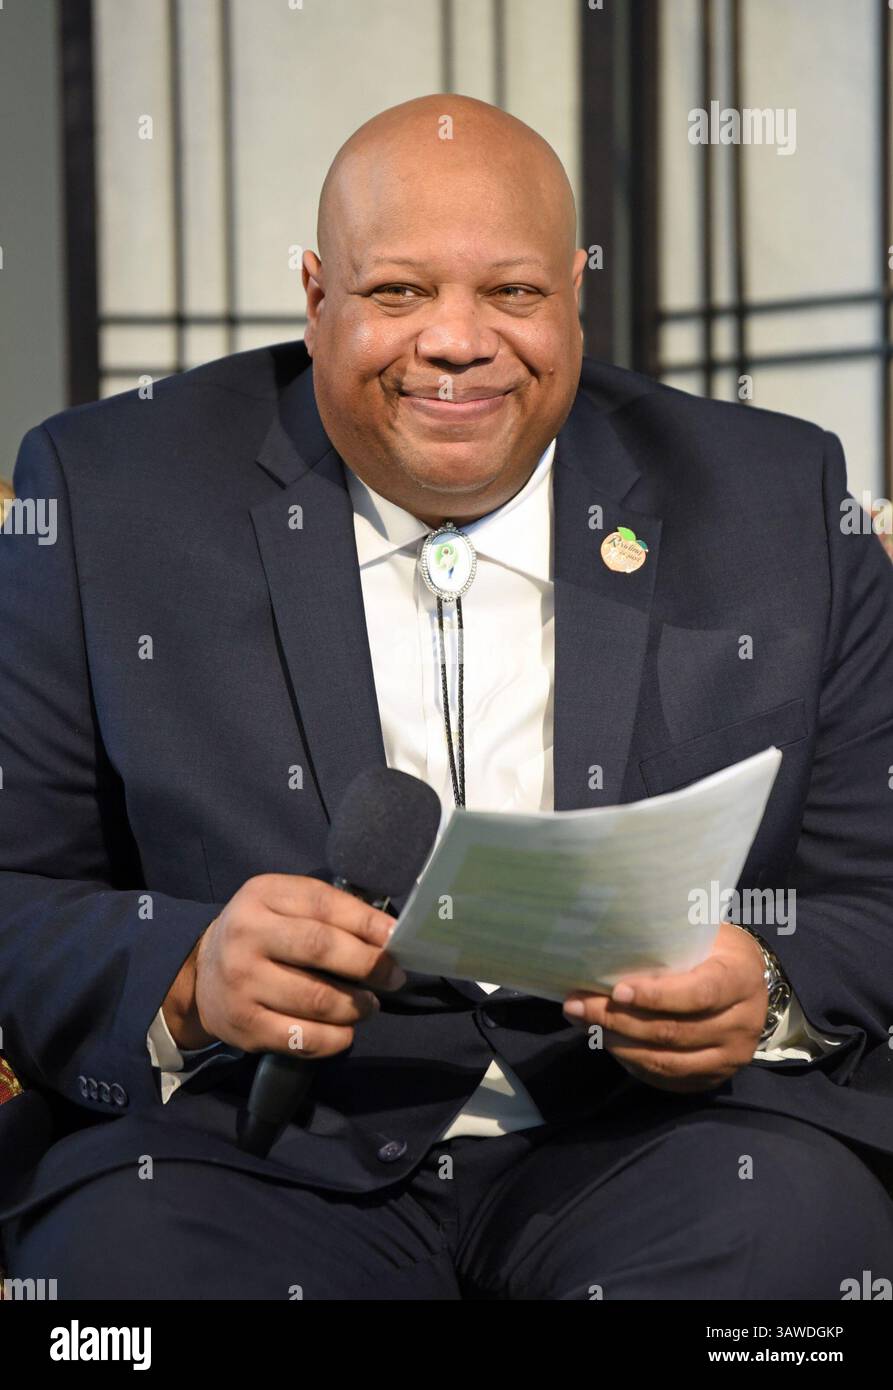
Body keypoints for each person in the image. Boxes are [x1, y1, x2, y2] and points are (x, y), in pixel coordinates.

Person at [1, 94, 892, 1300]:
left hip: (662, 1139)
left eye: (513, 293)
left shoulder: (777, 495)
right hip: (245, 1150)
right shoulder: (106, 494)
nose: (457, 341)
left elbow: (872, 891)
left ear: (576, 290)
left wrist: (768, 987)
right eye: (398, 293)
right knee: (117, 1281)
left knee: (792, 1250)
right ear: (316, 297)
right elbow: (19, 889)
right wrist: (187, 972)